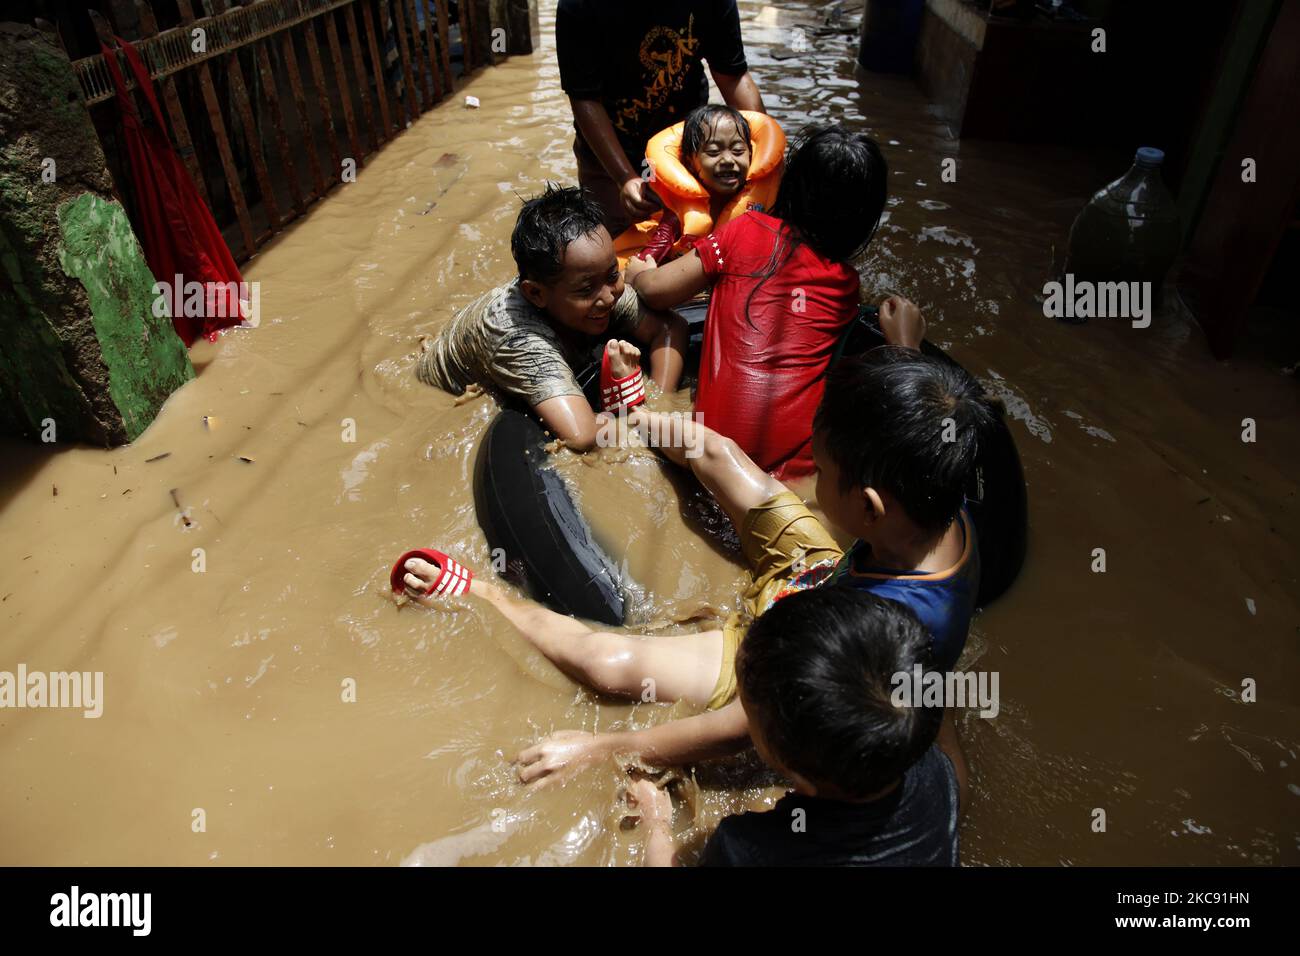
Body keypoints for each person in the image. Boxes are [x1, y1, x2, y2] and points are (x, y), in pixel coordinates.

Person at [398, 336, 999, 798]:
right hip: (823, 571)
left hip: (809, 640)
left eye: (824, 470)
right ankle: (632, 415)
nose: (815, 476)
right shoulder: (941, 502)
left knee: (608, 663)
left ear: (868, 506)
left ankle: (481, 593)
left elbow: (748, 723)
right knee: (716, 452)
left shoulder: (892, 631)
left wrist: (608, 747)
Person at [627, 124, 889, 480]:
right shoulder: (846, 285)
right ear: (864, 219)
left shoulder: (745, 229)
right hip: (791, 474)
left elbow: (656, 291)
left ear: (791, 184)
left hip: (706, 451)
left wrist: (638, 274)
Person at [627, 587, 962, 866]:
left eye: (745, 709)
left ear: (799, 779)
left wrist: (656, 822)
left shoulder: (747, 850)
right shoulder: (937, 773)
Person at [416, 185, 687, 450]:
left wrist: (660, 399)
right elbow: (581, 434)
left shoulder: (594, 283)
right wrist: (644, 419)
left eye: (613, 275)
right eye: (586, 289)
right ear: (536, 293)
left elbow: (670, 327)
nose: (609, 297)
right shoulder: (519, 338)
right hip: (443, 390)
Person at [556, 0, 765, 239]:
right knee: (611, 243)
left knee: (702, 233)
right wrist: (624, 178)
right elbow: (584, 98)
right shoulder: (580, 6)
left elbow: (732, 76)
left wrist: (765, 150)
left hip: (686, 146)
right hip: (609, 148)